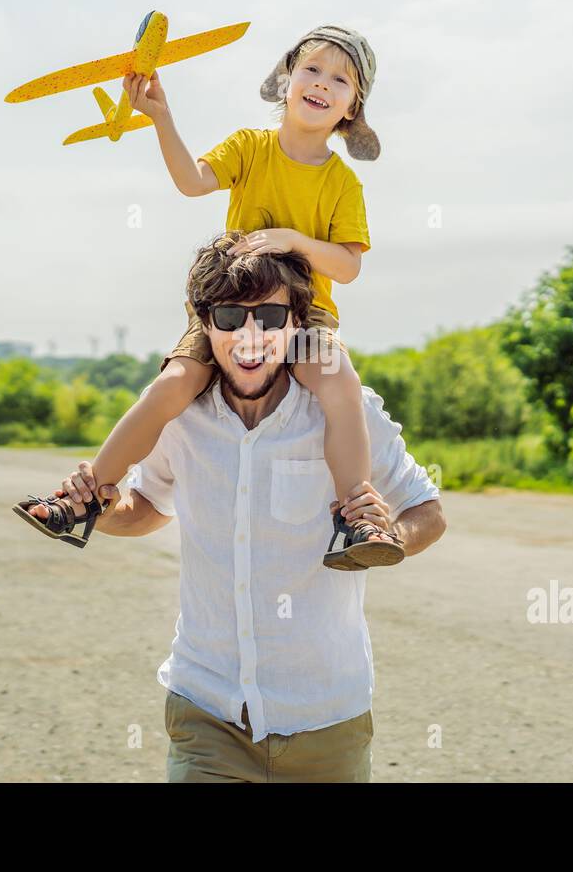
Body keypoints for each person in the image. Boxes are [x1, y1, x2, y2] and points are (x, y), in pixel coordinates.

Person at [29, 236, 447, 781]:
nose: (252, 336)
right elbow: (147, 507)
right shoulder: (179, 416)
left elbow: (428, 512)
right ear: (205, 324)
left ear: (297, 323)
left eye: (271, 316)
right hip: (208, 709)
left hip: (326, 717)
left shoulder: (345, 410)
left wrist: (392, 534)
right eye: (230, 315)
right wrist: (102, 509)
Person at [83, 23, 401, 564]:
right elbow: (192, 181)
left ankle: (357, 517)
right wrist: (161, 116)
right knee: (171, 385)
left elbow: (347, 267)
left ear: (352, 106)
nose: (322, 83)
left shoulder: (341, 182)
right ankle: (86, 495)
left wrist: (293, 242)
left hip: (303, 316)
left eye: (341, 80)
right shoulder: (249, 147)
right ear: (286, 81)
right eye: (312, 69)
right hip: (228, 311)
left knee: (340, 385)